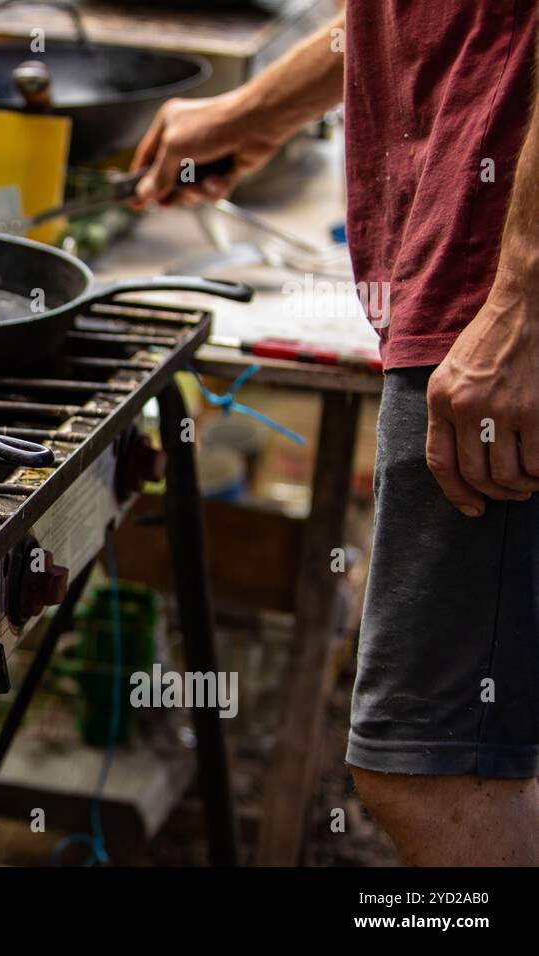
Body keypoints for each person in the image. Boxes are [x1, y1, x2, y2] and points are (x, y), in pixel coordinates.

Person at [130, 2, 539, 865]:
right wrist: (252, 111)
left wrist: (524, 305)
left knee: (437, 778)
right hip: (468, 286)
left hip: (485, 301)